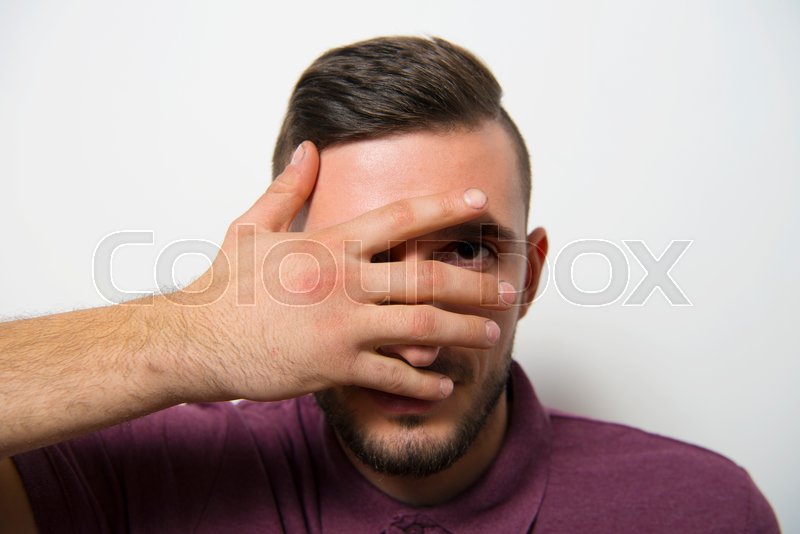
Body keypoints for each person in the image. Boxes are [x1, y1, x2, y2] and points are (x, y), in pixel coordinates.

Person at [0, 36, 779, 533]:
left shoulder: (707, 508)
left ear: (529, 278)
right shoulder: (144, 477)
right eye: (360, 257)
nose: (415, 332)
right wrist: (189, 333)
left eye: (468, 252)